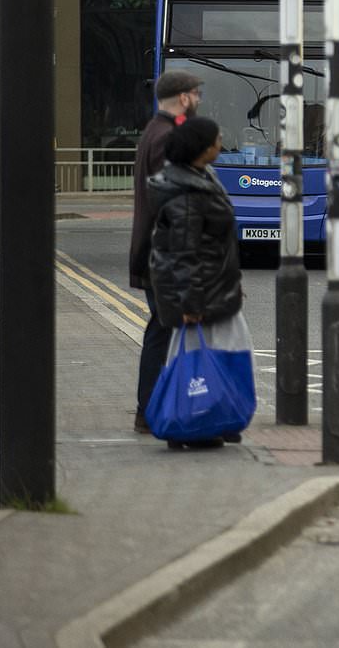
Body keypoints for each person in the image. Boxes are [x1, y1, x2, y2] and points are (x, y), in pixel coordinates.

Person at [146, 117, 248, 450]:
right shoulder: (185, 193)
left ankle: (217, 417)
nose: (222, 142)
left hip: (215, 288)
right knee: (196, 362)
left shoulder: (201, 178)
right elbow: (184, 253)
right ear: (202, 147)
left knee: (225, 354)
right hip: (199, 296)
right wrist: (189, 304)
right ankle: (190, 421)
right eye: (218, 139)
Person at [128, 69, 203, 434]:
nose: (199, 100)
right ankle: (157, 410)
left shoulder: (151, 132)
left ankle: (153, 409)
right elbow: (172, 204)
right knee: (166, 332)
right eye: (196, 94)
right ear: (185, 97)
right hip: (165, 256)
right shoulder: (169, 137)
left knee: (161, 330)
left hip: (154, 252)